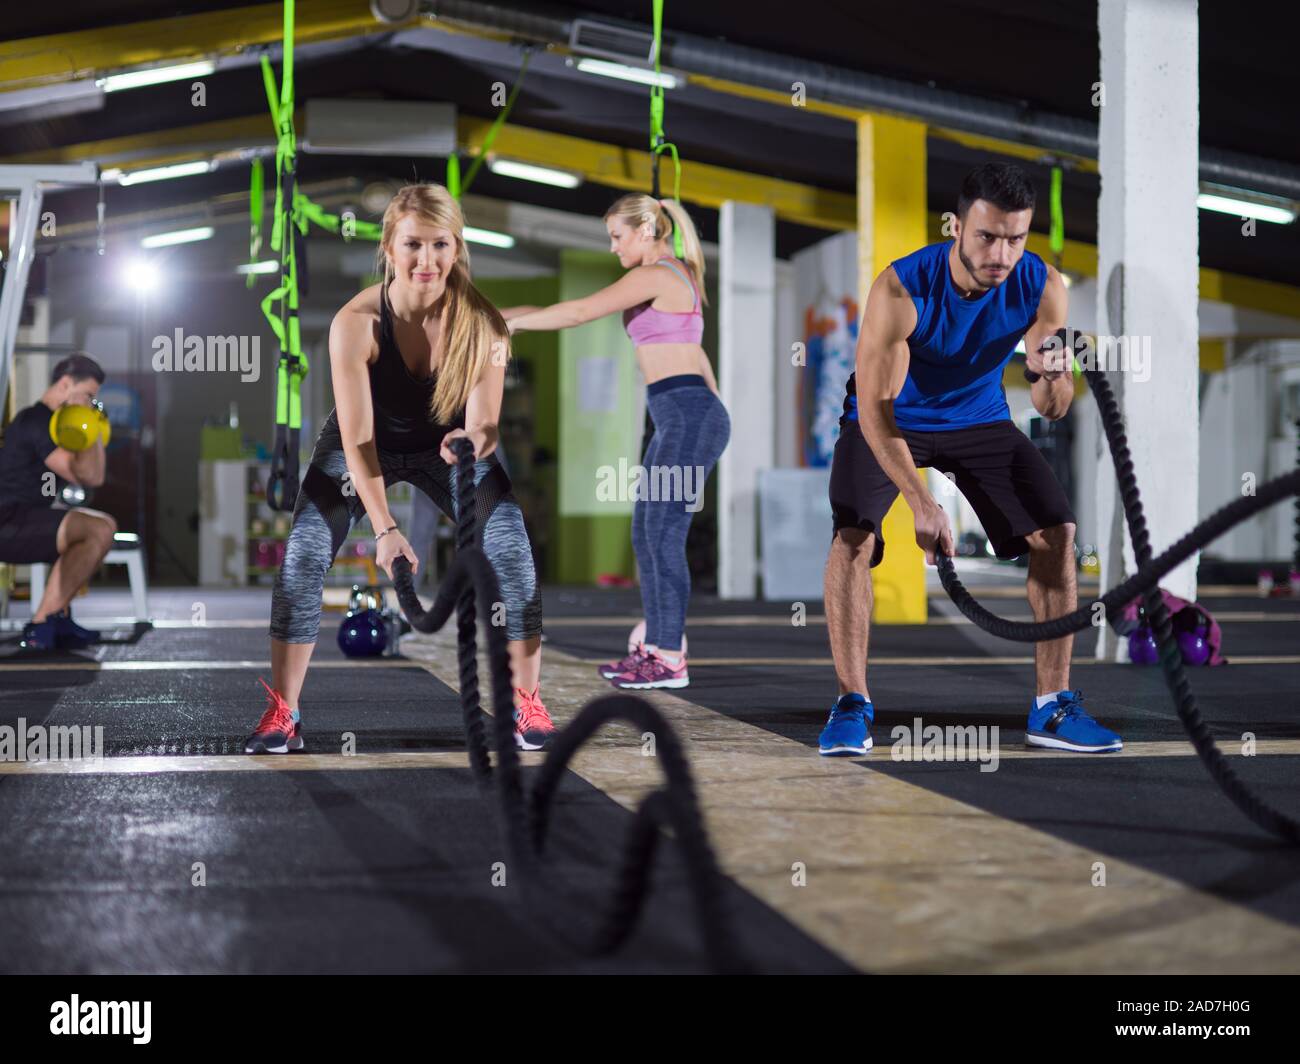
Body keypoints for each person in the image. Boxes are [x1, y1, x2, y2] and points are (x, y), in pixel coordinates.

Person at [820, 162, 1122, 757]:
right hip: (890, 419)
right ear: (954, 226)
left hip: (979, 419)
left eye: (1016, 238)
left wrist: (1053, 375)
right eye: (987, 236)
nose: (1002, 252)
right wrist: (921, 502)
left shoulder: (1042, 285)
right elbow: (878, 412)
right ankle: (852, 702)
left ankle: (1051, 706)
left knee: (1056, 532)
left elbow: (1050, 406)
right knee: (853, 538)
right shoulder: (902, 289)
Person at [246, 183, 552, 754]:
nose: (427, 261)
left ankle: (526, 704)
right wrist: (385, 530)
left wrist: (471, 439)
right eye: (413, 244)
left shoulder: (483, 324)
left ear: (457, 248)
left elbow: (487, 426)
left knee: (512, 551)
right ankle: (282, 711)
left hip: (448, 446)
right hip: (365, 446)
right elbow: (359, 440)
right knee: (306, 552)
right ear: (389, 246)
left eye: (441, 245)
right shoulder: (356, 323)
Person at [504, 195, 730, 690]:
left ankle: (669, 656)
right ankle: (659, 644)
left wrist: (514, 321)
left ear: (646, 231)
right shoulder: (677, 273)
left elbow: (582, 311)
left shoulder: (658, 275)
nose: (612, 247)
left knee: (663, 533)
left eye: (617, 236)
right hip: (682, 415)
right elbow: (695, 356)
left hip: (689, 415)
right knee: (646, 532)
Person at [0, 353, 115, 650]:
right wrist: (86, 421)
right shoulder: (37, 420)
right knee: (98, 529)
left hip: (26, 520)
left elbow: (95, 476)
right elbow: (81, 473)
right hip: (7, 522)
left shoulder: (62, 425)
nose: (92, 403)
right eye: (88, 395)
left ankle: (59, 619)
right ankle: (41, 625)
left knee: (96, 528)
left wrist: (90, 421)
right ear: (65, 384)